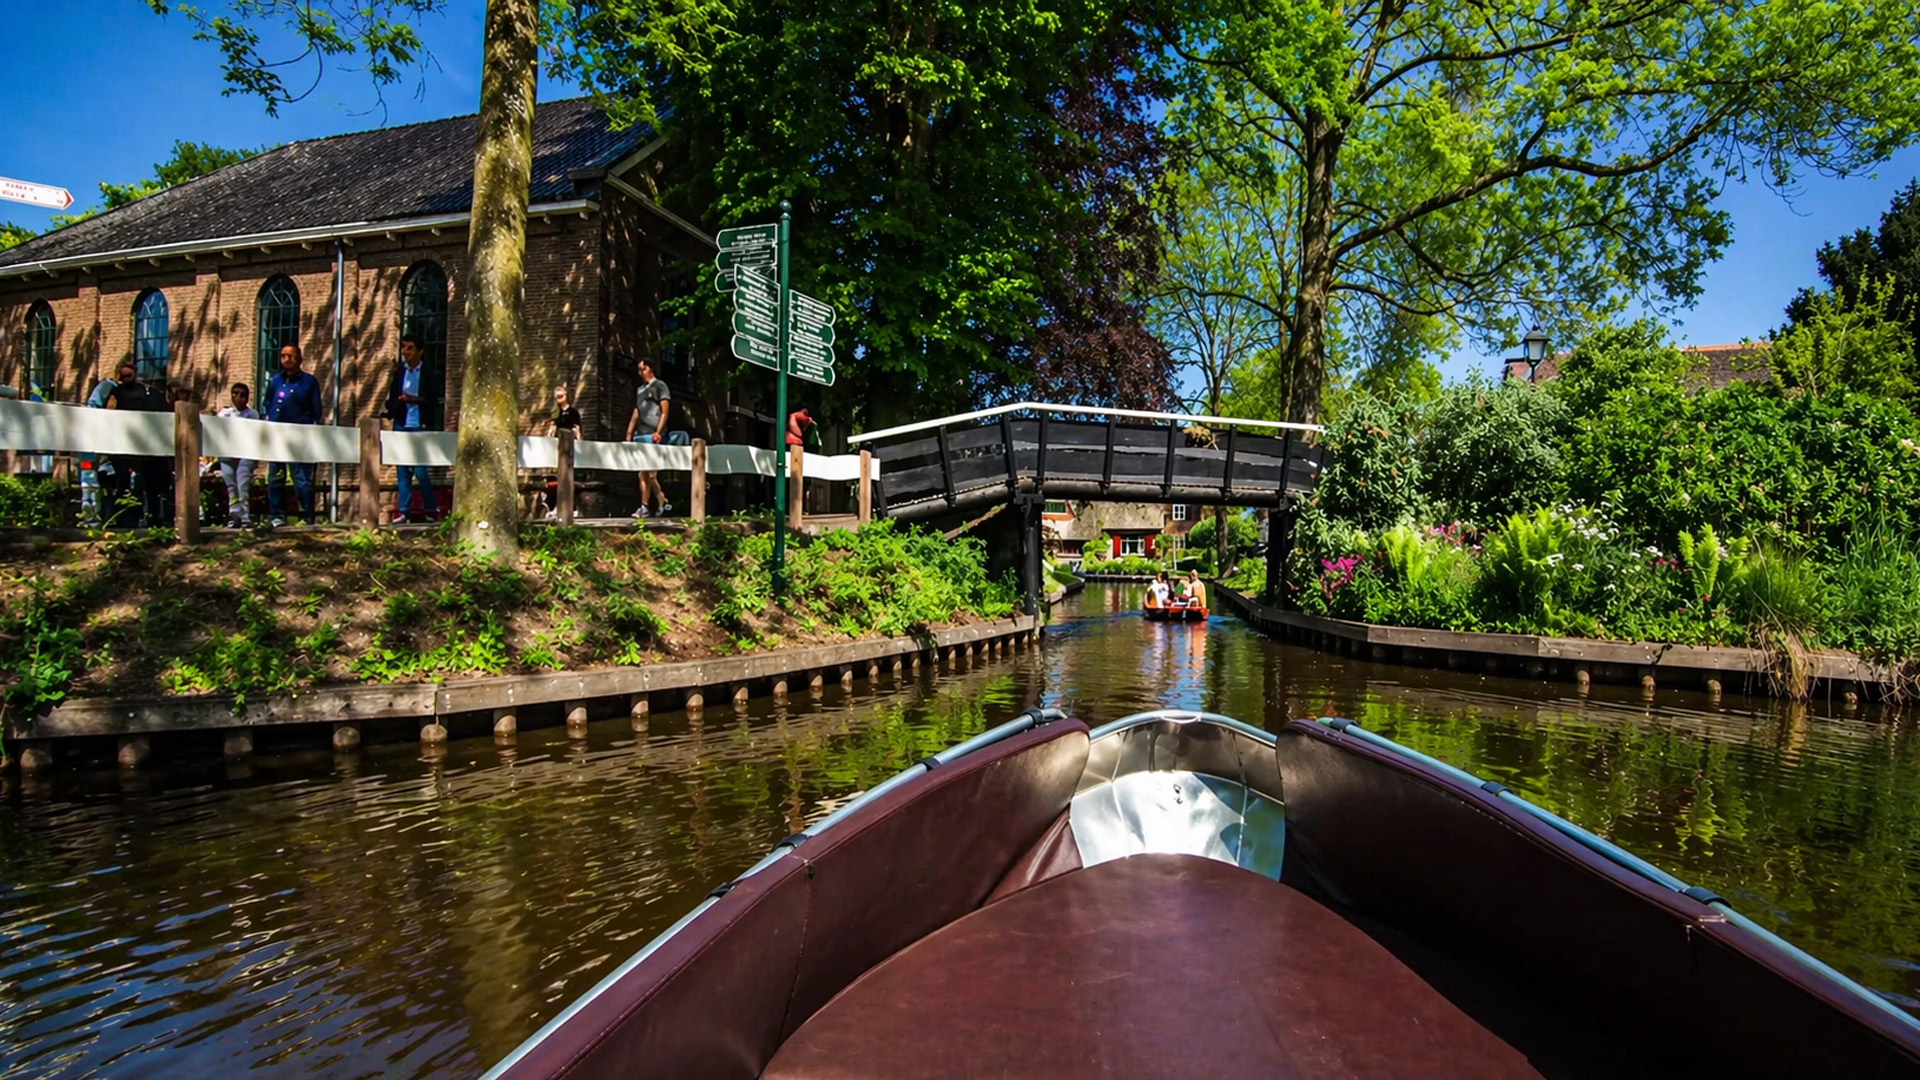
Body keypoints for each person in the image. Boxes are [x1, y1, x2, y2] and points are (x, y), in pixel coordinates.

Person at [384, 334, 442, 523]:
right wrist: (395, 405)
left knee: (420, 470)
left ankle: (431, 509)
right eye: (403, 347)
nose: (405, 352)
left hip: (419, 425)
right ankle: (403, 511)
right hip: (401, 424)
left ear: (420, 351)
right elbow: (392, 398)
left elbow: (433, 401)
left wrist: (413, 400)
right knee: (402, 469)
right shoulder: (400, 373)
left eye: (410, 348)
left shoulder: (429, 374)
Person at [104, 363, 170, 527]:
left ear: (135, 374)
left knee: (148, 485)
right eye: (123, 376)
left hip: (145, 446)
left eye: (129, 375)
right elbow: (108, 413)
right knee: (123, 483)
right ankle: (123, 519)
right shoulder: (115, 392)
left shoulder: (147, 393)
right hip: (121, 445)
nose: (126, 379)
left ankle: (152, 518)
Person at [264, 343, 323, 526]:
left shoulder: (308, 382)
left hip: (299, 436)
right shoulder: (275, 381)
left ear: (299, 359)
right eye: (283, 356)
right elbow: (268, 403)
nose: (286, 359)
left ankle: (306, 515)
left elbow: (317, 410)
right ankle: (277, 515)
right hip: (277, 435)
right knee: (275, 476)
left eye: (290, 356)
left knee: (301, 477)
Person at [623, 355, 672, 518]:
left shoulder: (660, 386)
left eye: (643, 369)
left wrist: (658, 431)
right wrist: (629, 432)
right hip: (641, 435)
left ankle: (660, 500)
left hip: (655, 435)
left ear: (650, 368)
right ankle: (647, 505)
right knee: (642, 472)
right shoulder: (640, 390)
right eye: (639, 370)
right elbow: (637, 411)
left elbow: (664, 410)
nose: (640, 372)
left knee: (651, 472)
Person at [217, 383, 259, 527]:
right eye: (235, 393)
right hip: (227, 453)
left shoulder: (253, 414)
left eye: (242, 395)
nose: (238, 397)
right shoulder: (224, 414)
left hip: (246, 453)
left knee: (242, 483)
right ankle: (234, 515)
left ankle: (245, 515)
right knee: (231, 486)